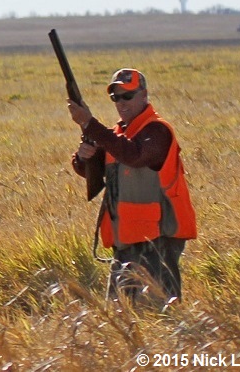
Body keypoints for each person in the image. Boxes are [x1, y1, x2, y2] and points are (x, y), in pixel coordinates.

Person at [67, 68, 197, 304]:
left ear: (144, 95)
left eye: (127, 95)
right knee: (121, 312)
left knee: (159, 309)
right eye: (116, 97)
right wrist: (86, 157)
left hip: (158, 237)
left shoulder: (157, 131)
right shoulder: (117, 135)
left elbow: (134, 156)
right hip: (126, 237)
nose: (121, 102)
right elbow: (95, 172)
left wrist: (89, 123)